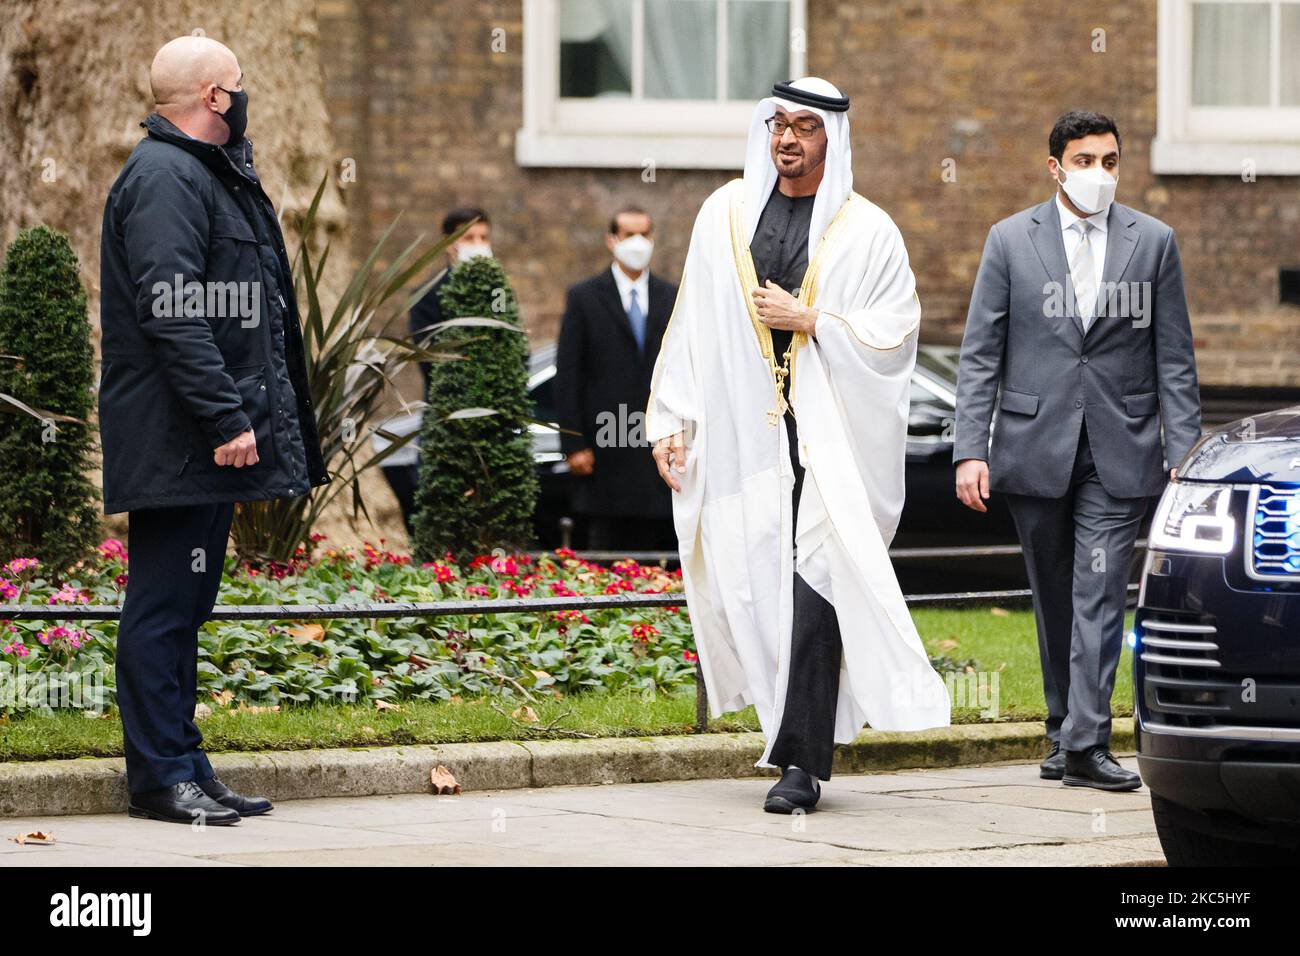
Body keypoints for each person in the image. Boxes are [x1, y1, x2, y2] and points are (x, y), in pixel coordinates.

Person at [645, 77, 950, 814]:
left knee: (818, 584)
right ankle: (786, 727)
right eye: (778, 124)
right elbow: (693, 322)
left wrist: (814, 320)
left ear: (833, 139)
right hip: (748, 436)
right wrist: (670, 420)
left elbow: (897, 328)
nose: (787, 138)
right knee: (756, 586)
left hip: (830, 441)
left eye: (805, 127)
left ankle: (801, 766)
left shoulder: (869, 230)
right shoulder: (724, 215)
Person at [98, 35, 330, 824]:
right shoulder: (165, 177)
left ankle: (185, 761)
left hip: (195, 439)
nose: (246, 95)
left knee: (185, 604)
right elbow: (172, 311)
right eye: (238, 85)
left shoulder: (201, 174)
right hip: (180, 436)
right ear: (211, 96)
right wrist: (226, 415)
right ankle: (161, 778)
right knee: (162, 605)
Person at [953, 110, 1200, 792]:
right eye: (1085, 160)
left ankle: (1087, 742)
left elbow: (1173, 356)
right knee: (1055, 595)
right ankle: (1063, 729)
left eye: (1111, 161)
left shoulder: (1154, 242)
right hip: (1035, 446)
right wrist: (970, 449)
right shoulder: (1009, 241)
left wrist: (1184, 450)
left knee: (1098, 594)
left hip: (1121, 449)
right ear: (1055, 166)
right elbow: (980, 355)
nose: (1100, 173)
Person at [555, 206, 678, 553]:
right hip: (604, 448)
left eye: (644, 234)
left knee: (659, 558)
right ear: (612, 241)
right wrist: (574, 443)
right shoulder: (584, 297)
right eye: (629, 235)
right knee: (607, 551)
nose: (637, 242)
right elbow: (569, 374)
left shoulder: (672, 297)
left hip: (657, 448)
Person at [409, 207, 493, 395]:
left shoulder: (498, 292)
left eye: (483, 238)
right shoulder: (427, 295)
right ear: (449, 243)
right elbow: (429, 358)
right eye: (469, 238)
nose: (478, 245)